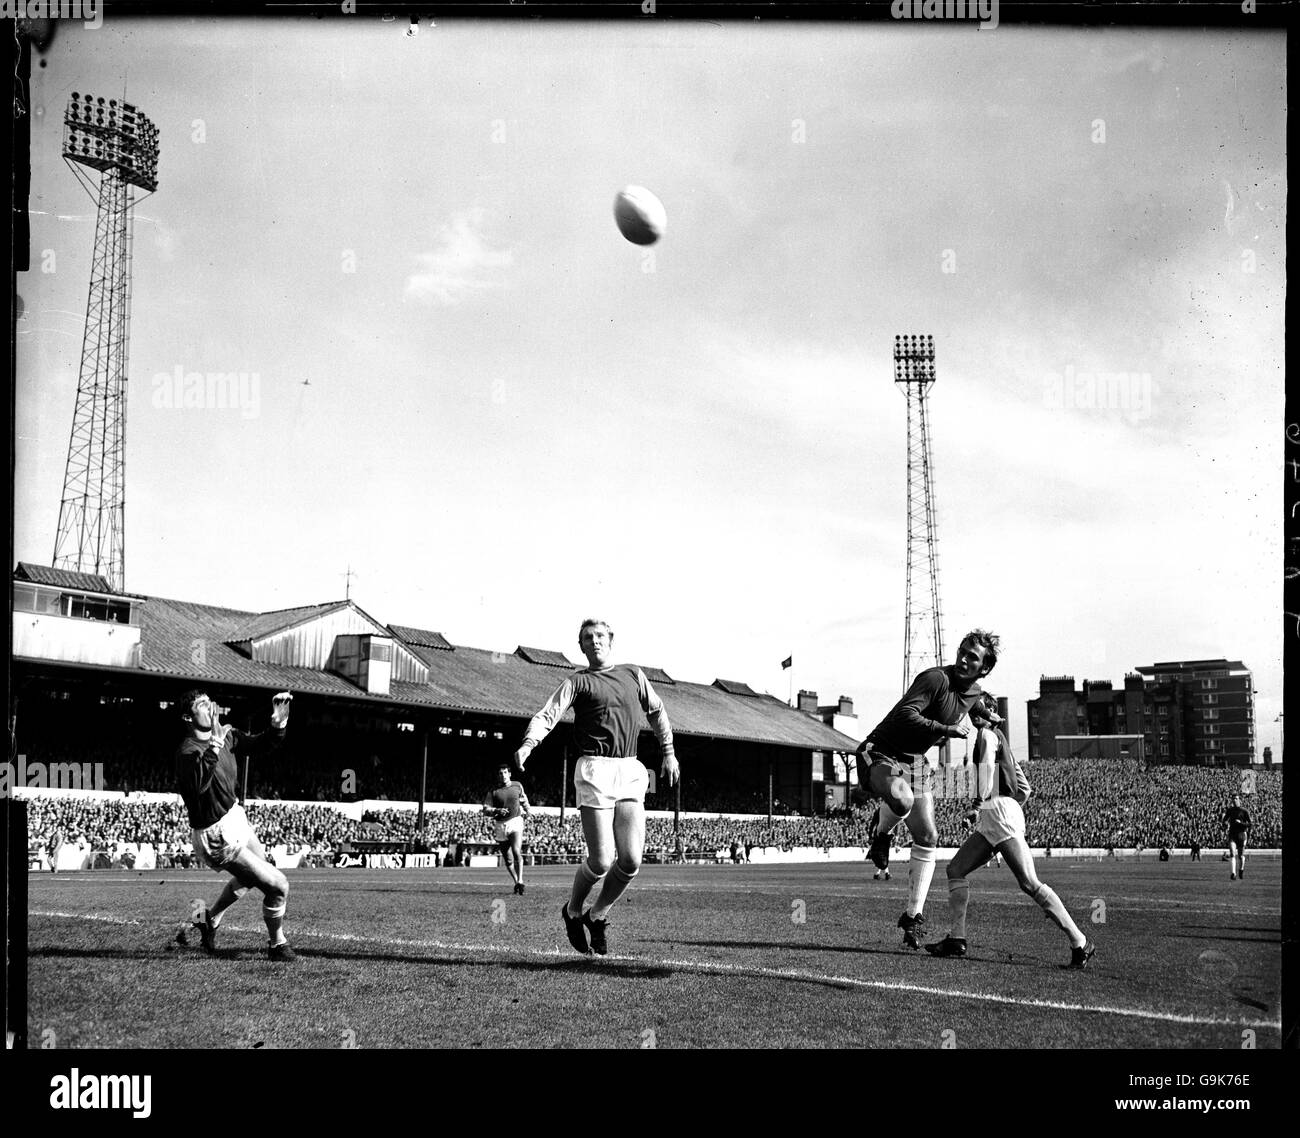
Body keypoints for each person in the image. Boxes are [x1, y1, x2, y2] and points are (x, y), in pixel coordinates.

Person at [513, 619, 679, 956]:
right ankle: (573, 911)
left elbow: (658, 712)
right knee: (602, 860)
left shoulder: (633, 674)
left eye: (600, 635)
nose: (595, 641)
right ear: (582, 646)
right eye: (588, 638)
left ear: (611, 640)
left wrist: (669, 753)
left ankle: (598, 914)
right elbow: (549, 714)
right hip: (593, 768)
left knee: (631, 861)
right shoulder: (578, 681)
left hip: (631, 768)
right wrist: (528, 744)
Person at [925, 694, 1096, 970]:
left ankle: (1080, 942)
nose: (973, 712)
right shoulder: (997, 736)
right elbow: (1024, 787)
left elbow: (989, 770)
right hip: (1000, 813)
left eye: (977, 708)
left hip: (998, 812)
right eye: (972, 708)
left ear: (988, 712)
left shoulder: (987, 735)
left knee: (1029, 883)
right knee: (955, 869)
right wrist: (1008, 807)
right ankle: (957, 939)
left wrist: (980, 805)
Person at [856, 629, 999, 949]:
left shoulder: (974, 692)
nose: (963, 658)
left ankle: (912, 917)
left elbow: (970, 704)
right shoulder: (935, 679)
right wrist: (947, 729)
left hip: (917, 762)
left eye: (972, 657)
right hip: (881, 750)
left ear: (983, 668)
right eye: (962, 651)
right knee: (902, 799)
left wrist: (988, 715)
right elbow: (907, 713)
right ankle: (881, 833)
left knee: (928, 837)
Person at [176, 690, 295, 961]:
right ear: (188, 716)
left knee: (256, 869)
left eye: (210, 701)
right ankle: (277, 945)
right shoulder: (187, 751)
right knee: (278, 886)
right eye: (201, 705)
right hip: (215, 833)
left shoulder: (227, 734)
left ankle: (210, 918)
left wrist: (278, 723)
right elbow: (198, 786)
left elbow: (260, 745)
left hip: (233, 815)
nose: (210, 707)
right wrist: (215, 746)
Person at [483, 762, 530, 894]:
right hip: (500, 825)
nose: (503, 775)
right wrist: (496, 810)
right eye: (500, 773)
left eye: (505, 772)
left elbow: (524, 799)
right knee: (508, 858)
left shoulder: (517, 785)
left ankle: (521, 881)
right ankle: (516, 881)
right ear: (498, 776)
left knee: (516, 851)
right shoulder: (493, 791)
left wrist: (528, 810)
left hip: (515, 821)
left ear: (509, 774)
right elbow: (485, 810)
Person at [1222, 793, 1251, 880]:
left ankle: (1241, 870)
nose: (1234, 800)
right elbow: (1224, 820)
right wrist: (1225, 823)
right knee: (1232, 853)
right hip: (1232, 834)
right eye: (1233, 799)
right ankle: (1233, 873)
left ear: (1239, 800)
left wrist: (1241, 823)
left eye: (1236, 798)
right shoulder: (1230, 810)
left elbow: (1250, 824)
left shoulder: (1244, 811)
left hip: (1242, 834)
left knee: (1241, 856)